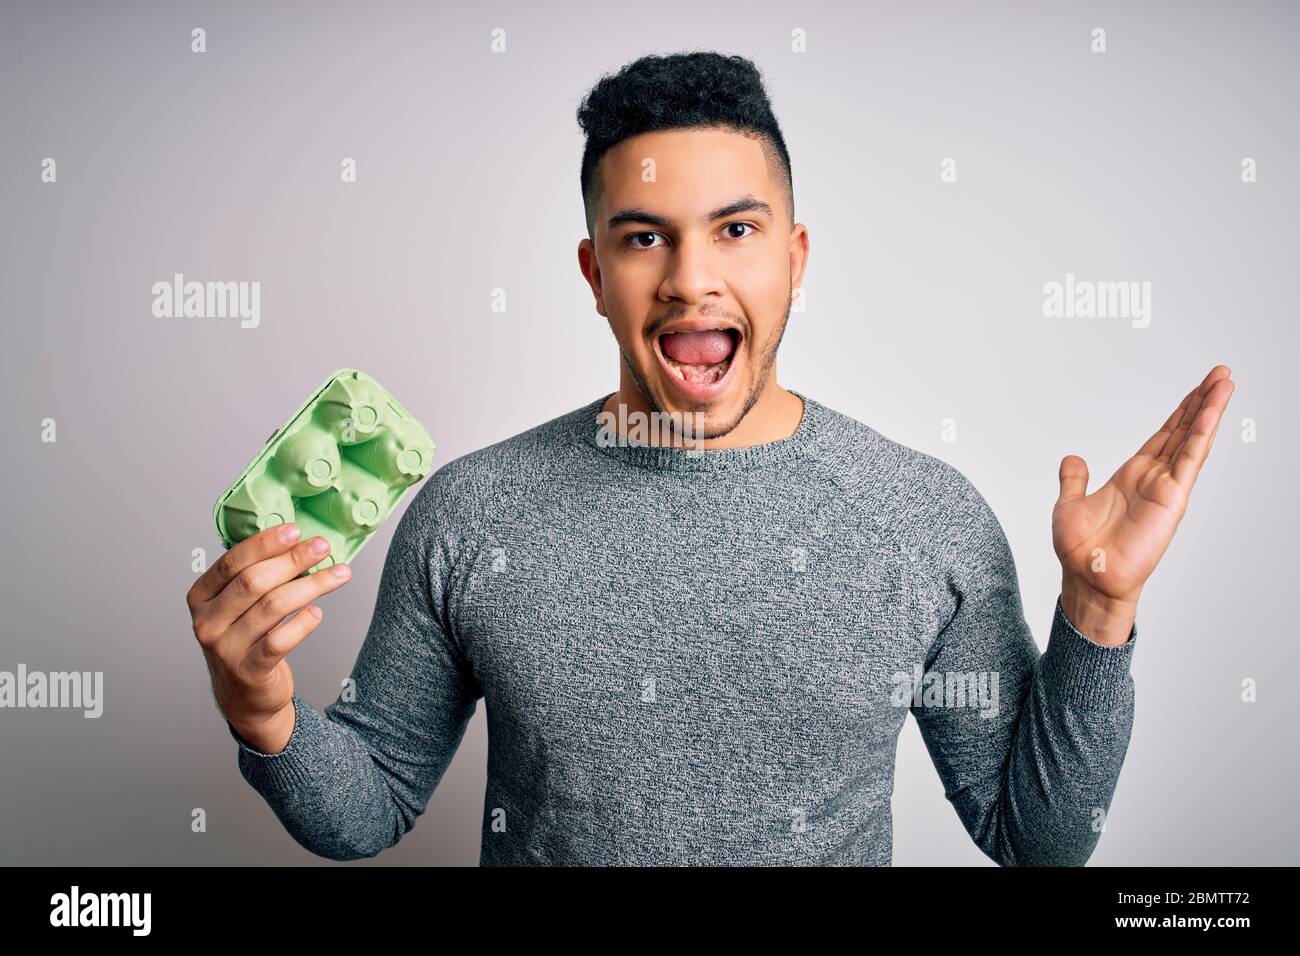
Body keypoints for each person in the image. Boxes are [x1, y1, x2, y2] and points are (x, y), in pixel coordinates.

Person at [186, 51, 1234, 865]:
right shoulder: (473, 514)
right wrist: (264, 712)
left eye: (734, 228)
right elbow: (368, 807)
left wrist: (1097, 612)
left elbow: (1034, 836)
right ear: (595, 273)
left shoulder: (924, 520)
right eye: (644, 238)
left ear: (793, 256)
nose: (690, 279)